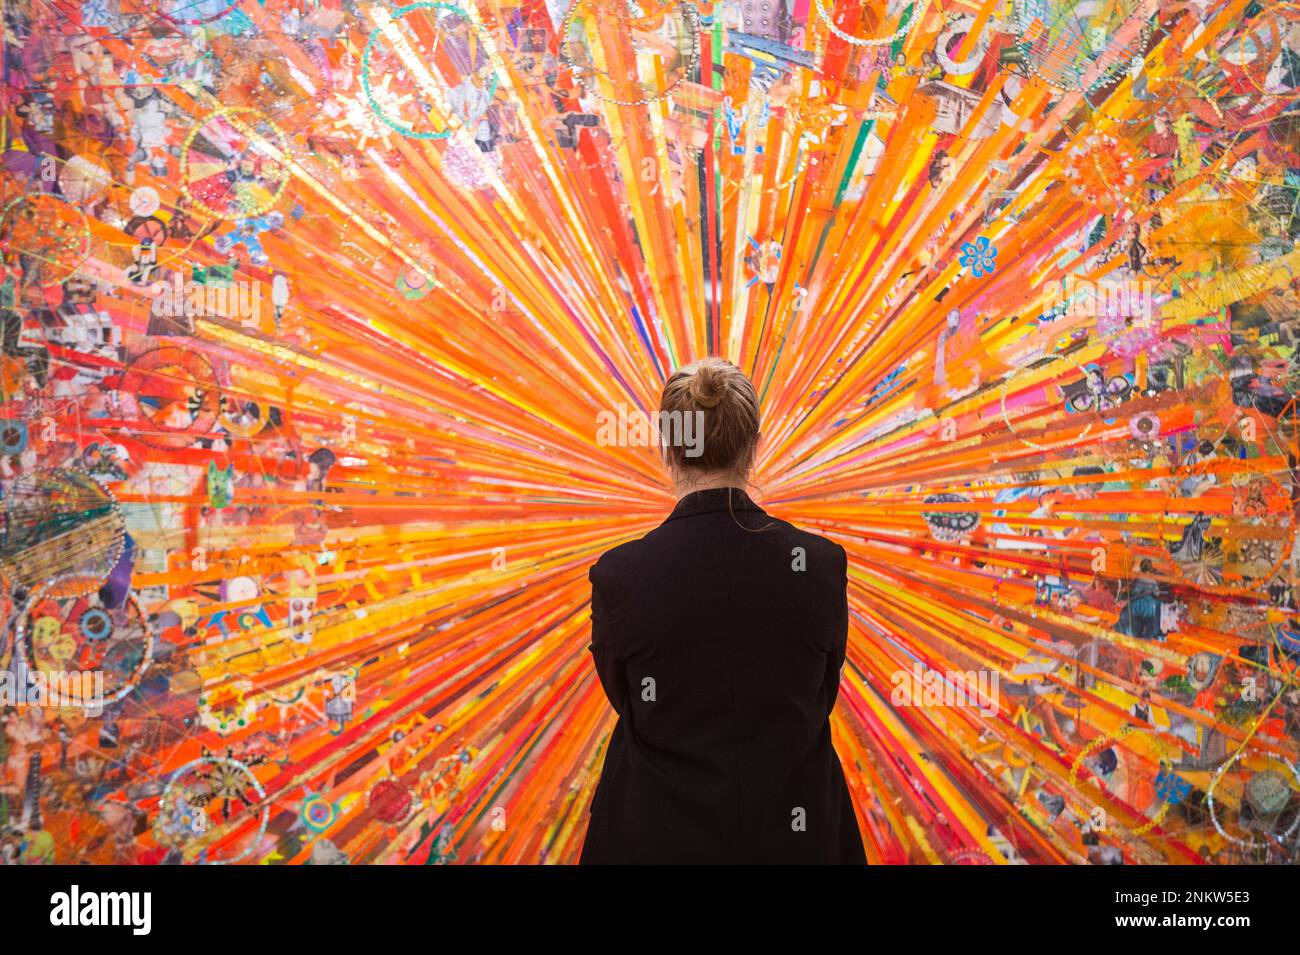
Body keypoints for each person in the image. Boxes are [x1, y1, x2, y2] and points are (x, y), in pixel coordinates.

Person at [580, 357, 867, 864]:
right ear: (753, 444)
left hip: (655, 842)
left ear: (670, 450)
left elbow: (626, 698)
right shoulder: (820, 566)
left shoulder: (620, 576)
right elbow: (820, 691)